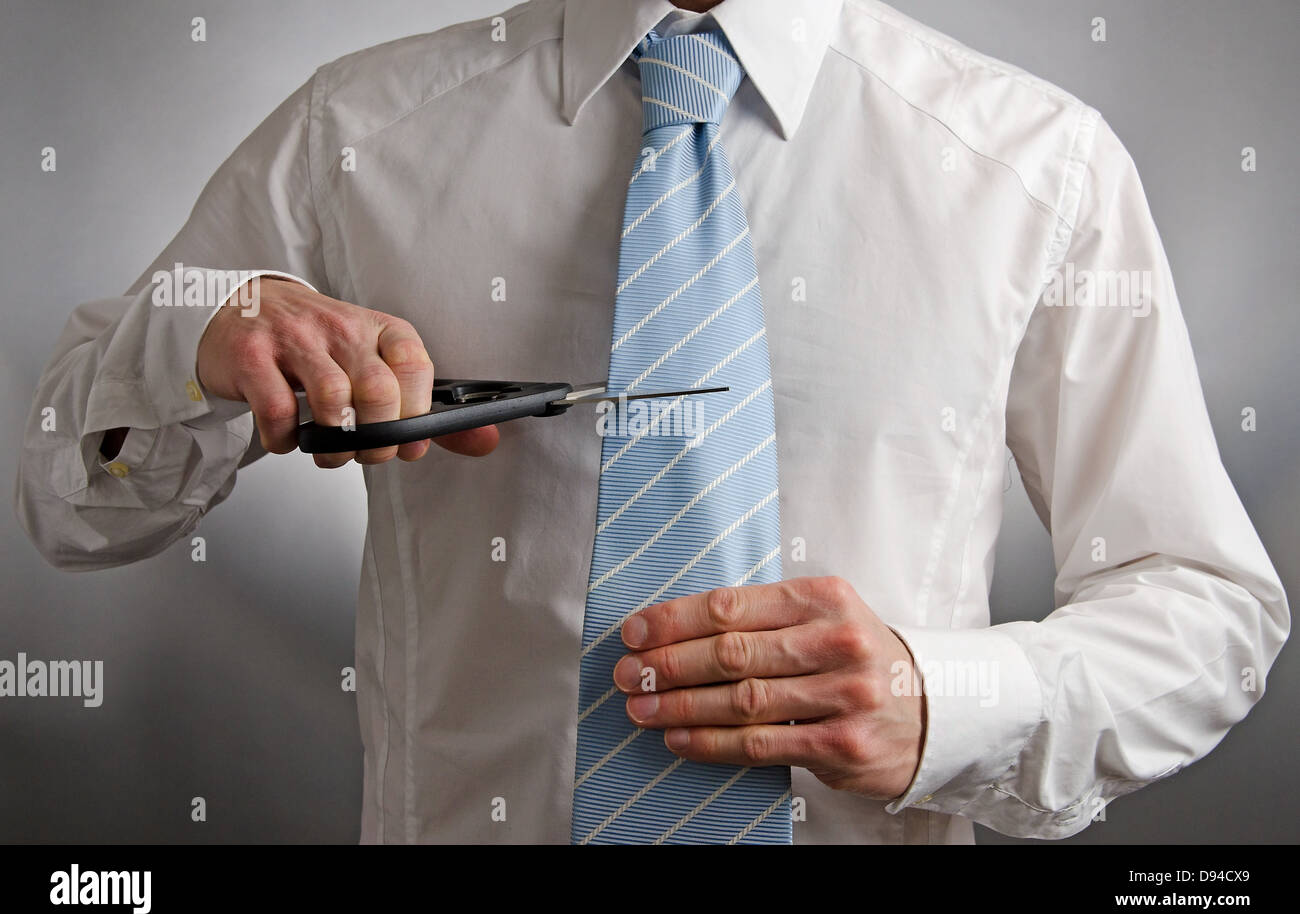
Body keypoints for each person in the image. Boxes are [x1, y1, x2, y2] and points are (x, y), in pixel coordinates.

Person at [15, 0, 1289, 844]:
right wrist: (198, 347)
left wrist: (943, 697)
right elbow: (69, 500)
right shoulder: (355, 133)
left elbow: (1210, 611)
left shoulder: (1037, 166)